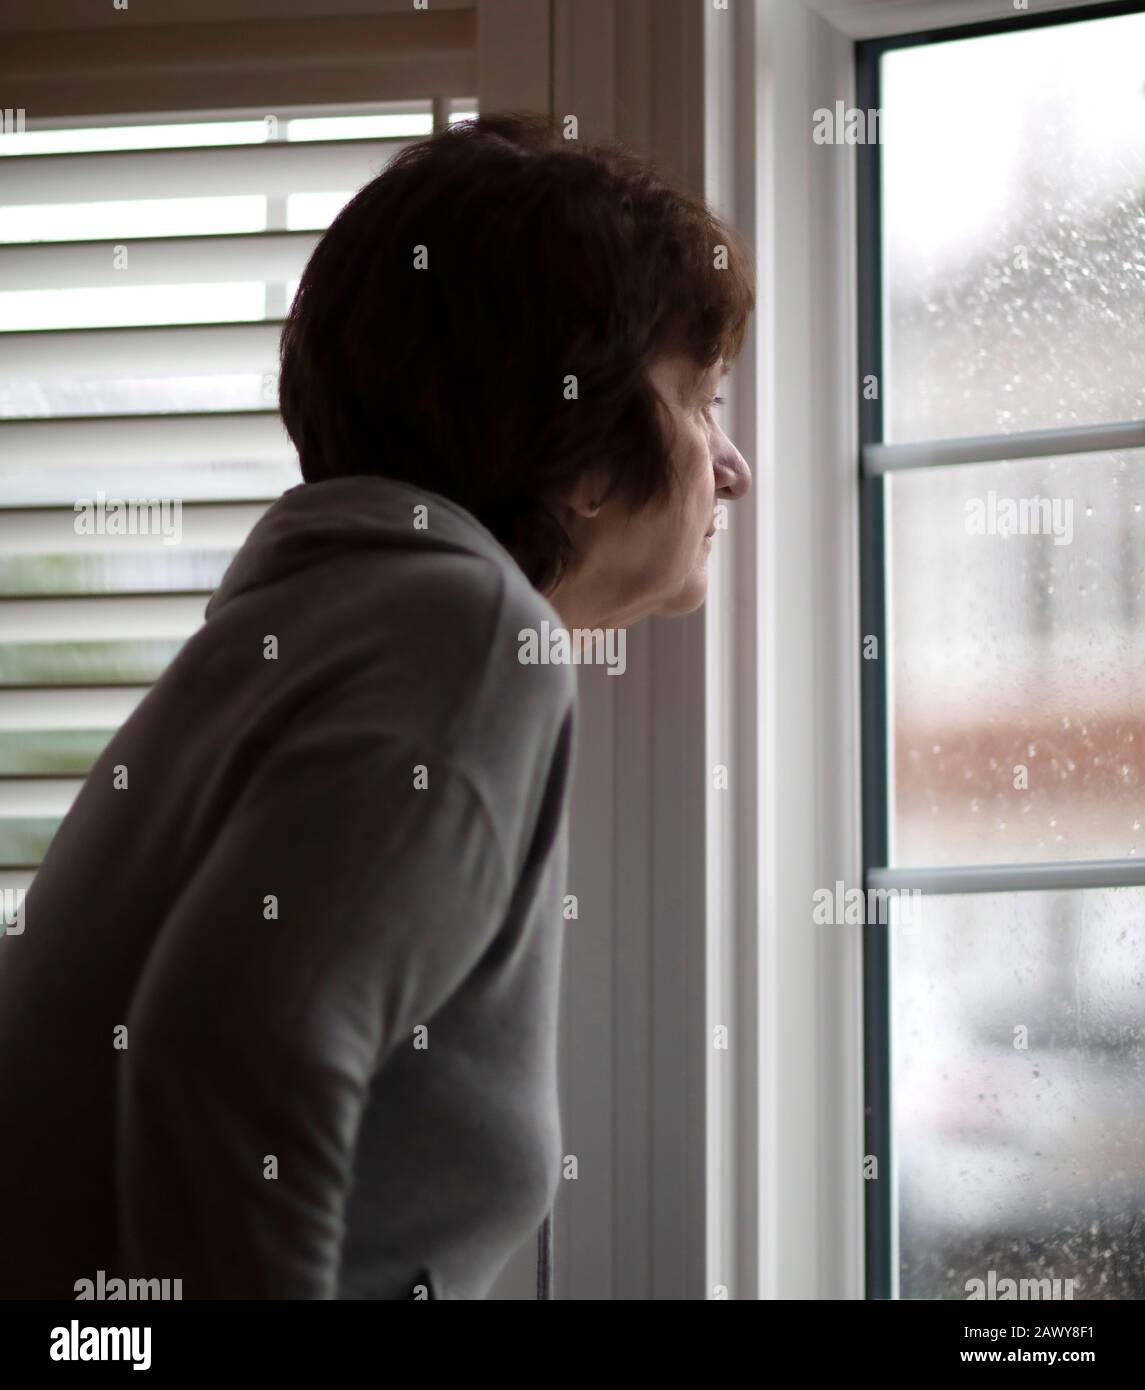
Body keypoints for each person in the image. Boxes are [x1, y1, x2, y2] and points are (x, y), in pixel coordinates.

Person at [0, 112, 753, 1300]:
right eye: (698, 395)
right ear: (578, 441)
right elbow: (233, 1055)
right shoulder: (465, 633)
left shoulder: (315, 622)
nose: (730, 463)